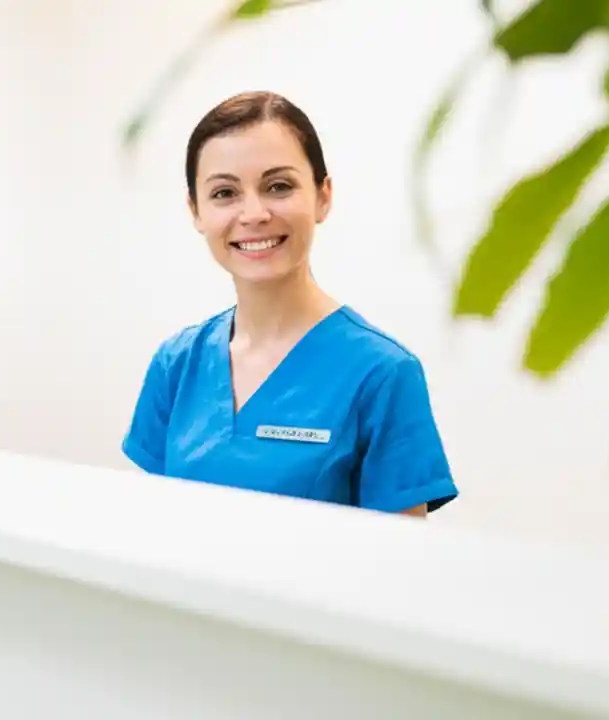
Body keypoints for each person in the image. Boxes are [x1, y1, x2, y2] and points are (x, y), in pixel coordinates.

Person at [122, 90, 458, 517]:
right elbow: (149, 528)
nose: (254, 213)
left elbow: (399, 567)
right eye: (224, 193)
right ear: (196, 211)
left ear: (323, 196)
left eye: (278, 186)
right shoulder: (176, 365)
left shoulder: (382, 374)